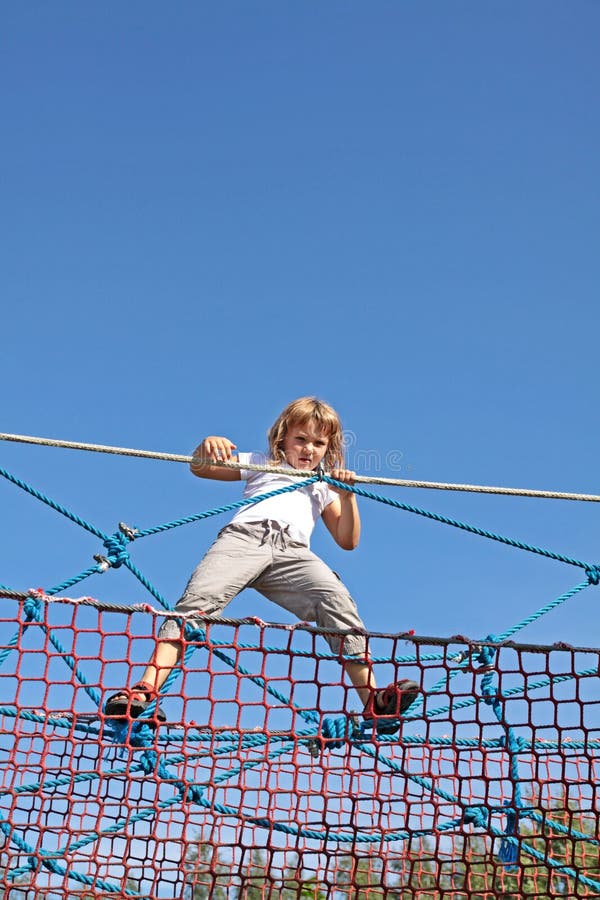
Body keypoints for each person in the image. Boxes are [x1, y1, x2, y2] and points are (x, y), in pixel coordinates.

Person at [105, 397, 418, 733]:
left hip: (293, 553)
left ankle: (373, 700)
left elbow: (348, 540)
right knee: (198, 601)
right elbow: (200, 468)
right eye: (301, 439)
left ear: (329, 448)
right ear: (282, 438)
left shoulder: (323, 484)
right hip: (244, 539)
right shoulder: (261, 462)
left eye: (318, 443)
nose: (308, 449)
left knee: (336, 599)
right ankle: (146, 688)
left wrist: (347, 494)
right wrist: (206, 447)